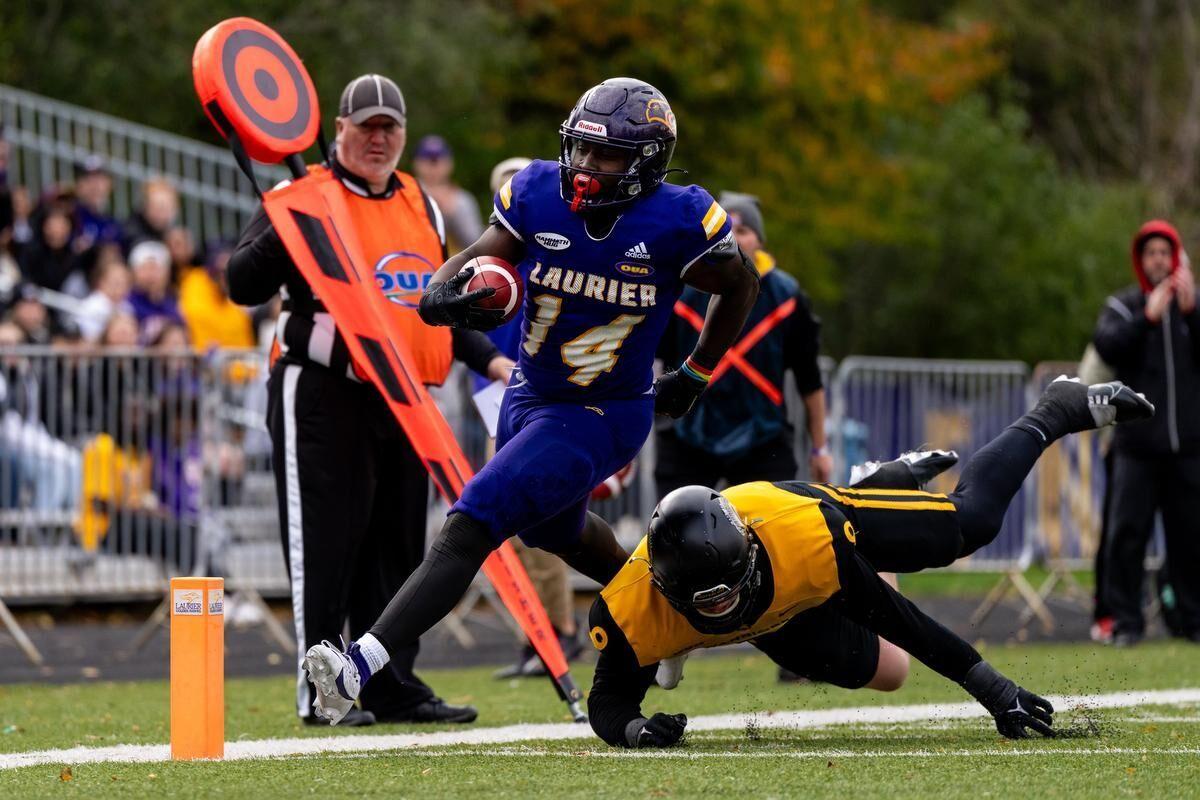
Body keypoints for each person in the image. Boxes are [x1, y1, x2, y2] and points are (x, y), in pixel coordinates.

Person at [302, 77, 761, 725]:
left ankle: (357, 667)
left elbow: (740, 286)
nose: (585, 165)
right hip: (527, 393)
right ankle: (672, 612)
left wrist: (696, 372)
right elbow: (474, 257)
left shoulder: (678, 217)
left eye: (605, 155)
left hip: (603, 410)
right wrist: (438, 296)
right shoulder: (539, 191)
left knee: (472, 522)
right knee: (555, 532)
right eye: (581, 148)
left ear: (646, 163)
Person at [584, 377, 1154, 748]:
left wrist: (993, 688)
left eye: (730, 589)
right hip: (769, 616)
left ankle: (1053, 409)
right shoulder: (633, 608)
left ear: (750, 550)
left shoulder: (803, 540)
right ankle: (680, 647)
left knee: (974, 523)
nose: (724, 608)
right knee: (892, 673)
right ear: (667, 591)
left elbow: (892, 615)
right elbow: (607, 703)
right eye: (707, 604)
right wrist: (637, 731)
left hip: (816, 515)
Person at [227, 73, 511, 727]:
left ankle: (389, 682)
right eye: (367, 126)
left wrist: (493, 360)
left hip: (405, 400)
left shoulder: (422, 205)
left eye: (391, 127)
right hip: (324, 391)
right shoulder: (301, 195)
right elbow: (242, 283)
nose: (379, 139)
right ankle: (320, 689)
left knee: (398, 548)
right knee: (327, 547)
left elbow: (435, 308)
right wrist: (287, 228)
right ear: (340, 130)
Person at [657, 191, 830, 499]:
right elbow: (649, 358)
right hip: (689, 432)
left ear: (759, 241)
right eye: (726, 230)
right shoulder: (683, 288)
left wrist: (820, 449)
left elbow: (810, 381)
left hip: (762, 435)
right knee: (674, 521)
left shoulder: (787, 298)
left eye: (743, 230)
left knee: (772, 523)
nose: (734, 238)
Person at [1091, 220, 1200, 646]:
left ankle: (1191, 621)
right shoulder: (1124, 305)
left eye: (1165, 253)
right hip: (1136, 447)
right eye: (1151, 253)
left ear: (1176, 259)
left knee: (1190, 537)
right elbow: (1106, 345)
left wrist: (1191, 313)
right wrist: (1147, 319)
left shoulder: (1191, 308)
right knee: (1127, 536)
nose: (1159, 260)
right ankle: (1126, 622)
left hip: (1187, 447)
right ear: (1140, 260)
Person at [412, 135, 483, 252]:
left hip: (455, 263)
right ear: (416, 163)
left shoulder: (462, 200)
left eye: (437, 160)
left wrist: (453, 214)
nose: (433, 166)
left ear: (450, 163)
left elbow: (476, 245)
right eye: (427, 160)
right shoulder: (404, 194)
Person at [179, 243, 253, 350]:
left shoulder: (236, 304)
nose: (226, 277)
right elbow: (196, 317)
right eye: (222, 271)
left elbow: (244, 344)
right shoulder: (195, 281)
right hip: (202, 357)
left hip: (235, 358)